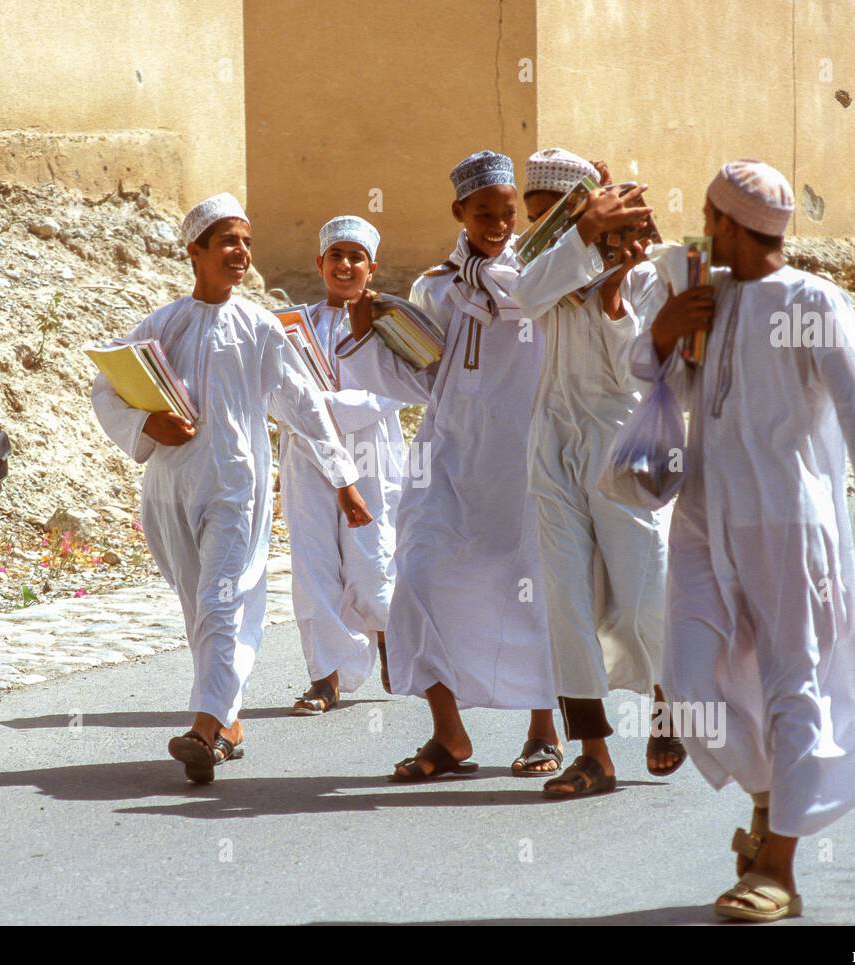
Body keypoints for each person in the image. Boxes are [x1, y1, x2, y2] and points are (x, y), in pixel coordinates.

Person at [637, 159, 855, 921]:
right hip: (701, 517)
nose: (700, 225)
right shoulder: (708, 293)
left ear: (730, 223)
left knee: (797, 683)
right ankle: (770, 797)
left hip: (789, 522)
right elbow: (653, 376)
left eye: (707, 214)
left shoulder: (811, 300)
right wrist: (664, 330)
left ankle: (780, 868)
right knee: (687, 684)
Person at [91, 193, 370, 783]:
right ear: (196, 251)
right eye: (228, 241)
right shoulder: (162, 325)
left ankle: (203, 726)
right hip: (168, 492)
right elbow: (106, 389)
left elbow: (303, 405)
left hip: (236, 490)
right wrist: (146, 425)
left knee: (221, 603)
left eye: (246, 241)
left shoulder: (259, 327)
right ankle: (229, 725)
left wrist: (342, 478)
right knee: (201, 609)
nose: (241, 252)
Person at [340, 151, 556, 780]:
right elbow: (422, 379)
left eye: (507, 213)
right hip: (449, 457)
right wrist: (365, 333)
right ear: (459, 212)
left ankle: (544, 729)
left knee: (529, 590)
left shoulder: (540, 278)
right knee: (421, 581)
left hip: (523, 457)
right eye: (483, 213)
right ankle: (448, 734)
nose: (497, 224)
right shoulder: (435, 287)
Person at [513, 147, 682, 796]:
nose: (538, 231)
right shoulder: (550, 259)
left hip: (622, 441)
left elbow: (640, 369)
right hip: (553, 442)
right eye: (536, 220)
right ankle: (594, 754)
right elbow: (524, 296)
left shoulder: (649, 267)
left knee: (643, 592)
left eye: (552, 215)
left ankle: (669, 696)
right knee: (565, 598)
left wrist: (611, 288)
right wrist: (578, 241)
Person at [281, 215, 405, 715]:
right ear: (320, 263)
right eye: (337, 256)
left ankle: (387, 640)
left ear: (371, 268)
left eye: (356, 257)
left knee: (373, 557)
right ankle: (325, 677)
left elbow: (393, 388)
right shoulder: (290, 326)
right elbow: (277, 392)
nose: (346, 265)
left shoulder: (387, 324)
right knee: (314, 565)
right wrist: (311, 417)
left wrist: (323, 408)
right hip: (307, 457)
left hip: (370, 454)